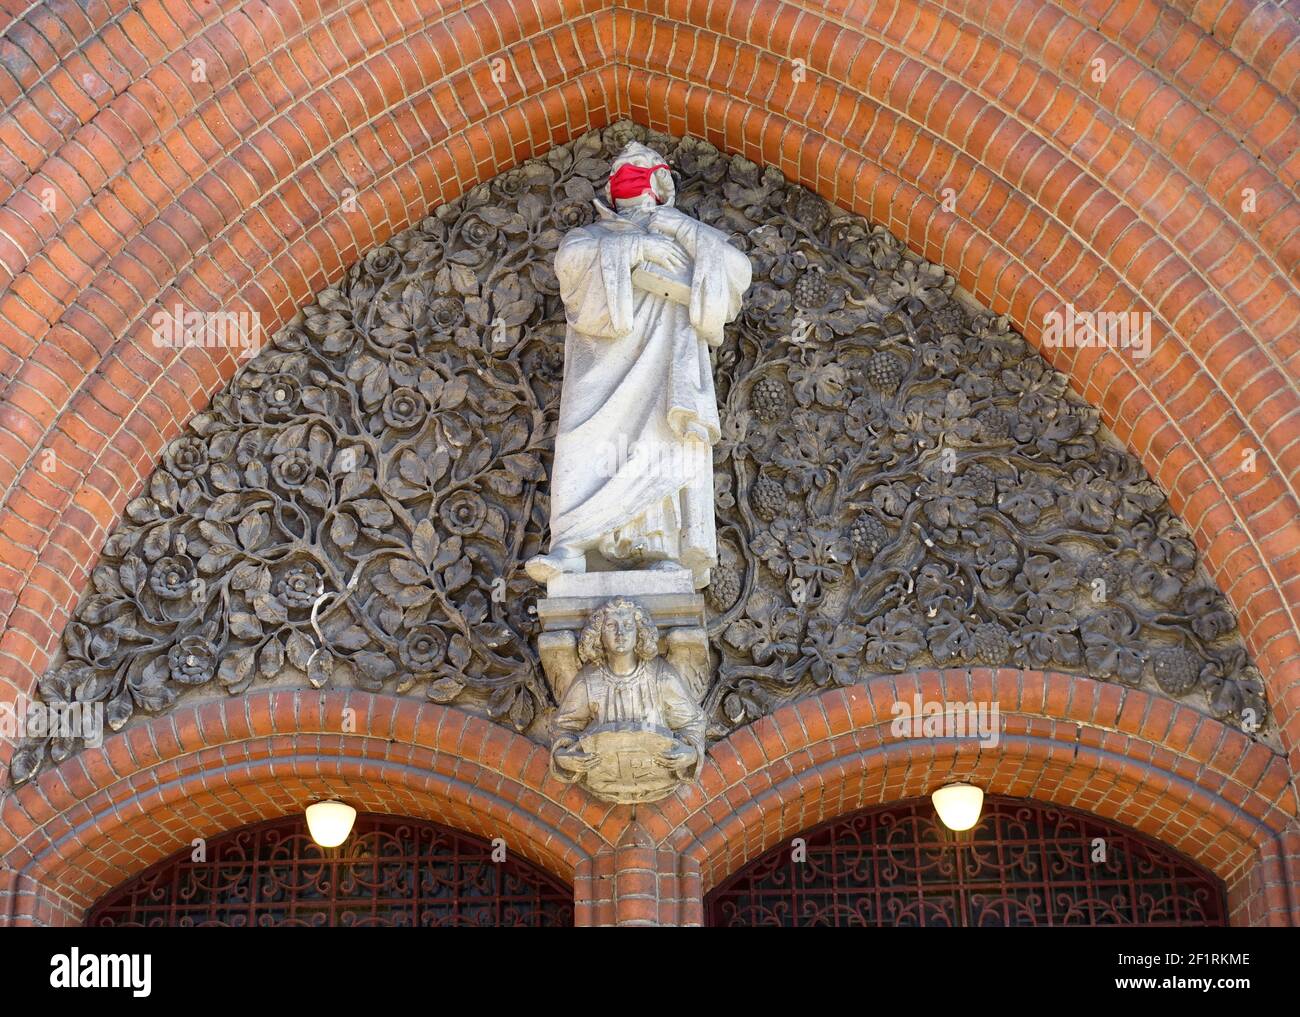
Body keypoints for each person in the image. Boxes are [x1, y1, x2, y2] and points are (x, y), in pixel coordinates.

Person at [525, 142, 752, 590]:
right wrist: (633, 247)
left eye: (644, 175)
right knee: (584, 443)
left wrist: (680, 229)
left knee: (660, 445)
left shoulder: (684, 239)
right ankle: (571, 548)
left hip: (666, 369)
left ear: (663, 186)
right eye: (625, 175)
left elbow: (734, 272)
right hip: (602, 370)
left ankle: (661, 551)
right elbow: (570, 265)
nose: (634, 182)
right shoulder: (593, 238)